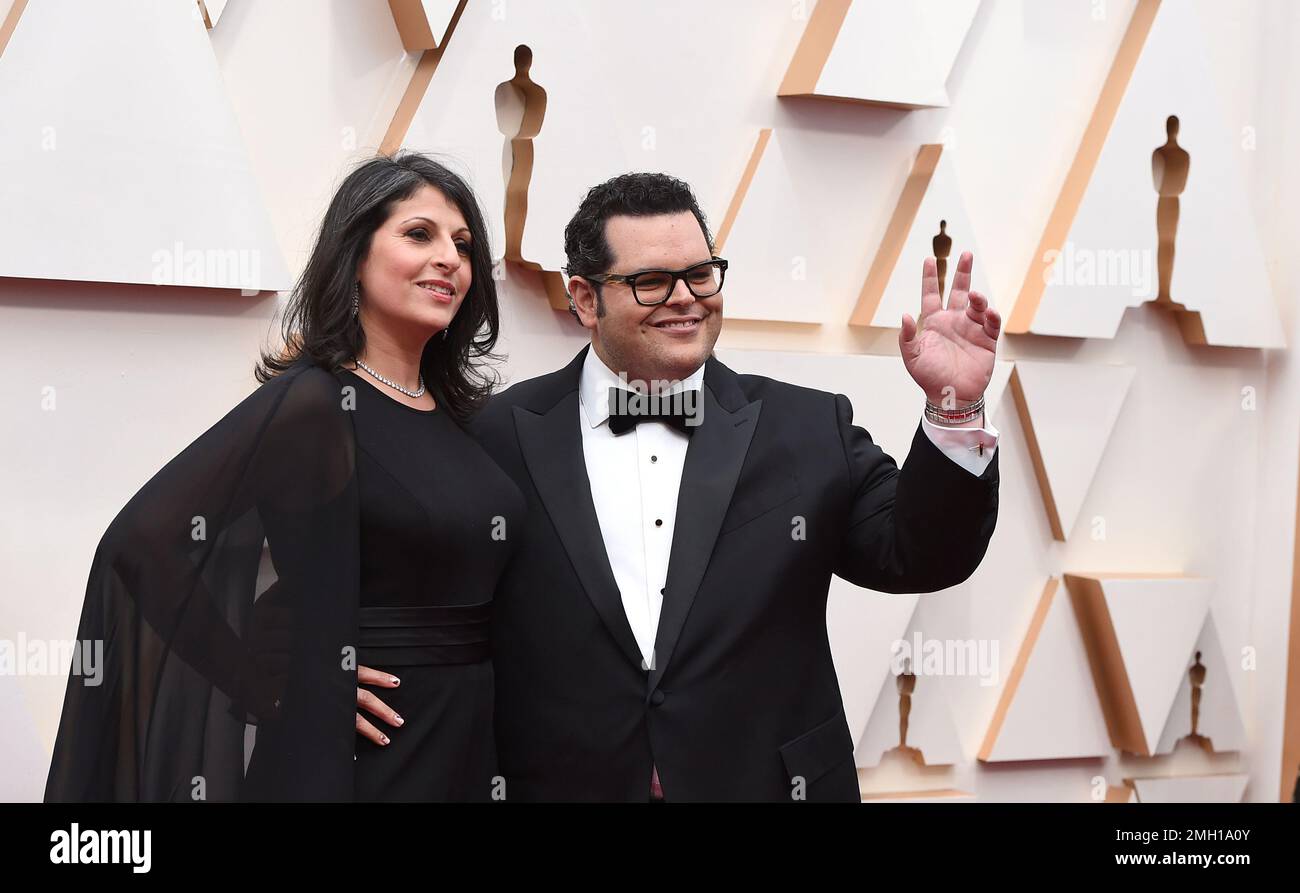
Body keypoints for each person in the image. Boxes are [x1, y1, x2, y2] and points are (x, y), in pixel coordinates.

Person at [359, 171, 1003, 801]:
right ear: (585, 298)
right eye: (649, 281)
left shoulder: (808, 428)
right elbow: (395, 587)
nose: (685, 298)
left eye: (699, 274)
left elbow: (919, 553)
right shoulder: (492, 435)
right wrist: (314, 667)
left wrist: (953, 408)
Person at [44, 151, 523, 801]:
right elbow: (145, 542)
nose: (450, 258)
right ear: (355, 254)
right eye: (419, 234)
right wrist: (272, 684)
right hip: (363, 761)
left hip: (471, 745)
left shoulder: (468, 420)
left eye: (464, 245)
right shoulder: (315, 403)